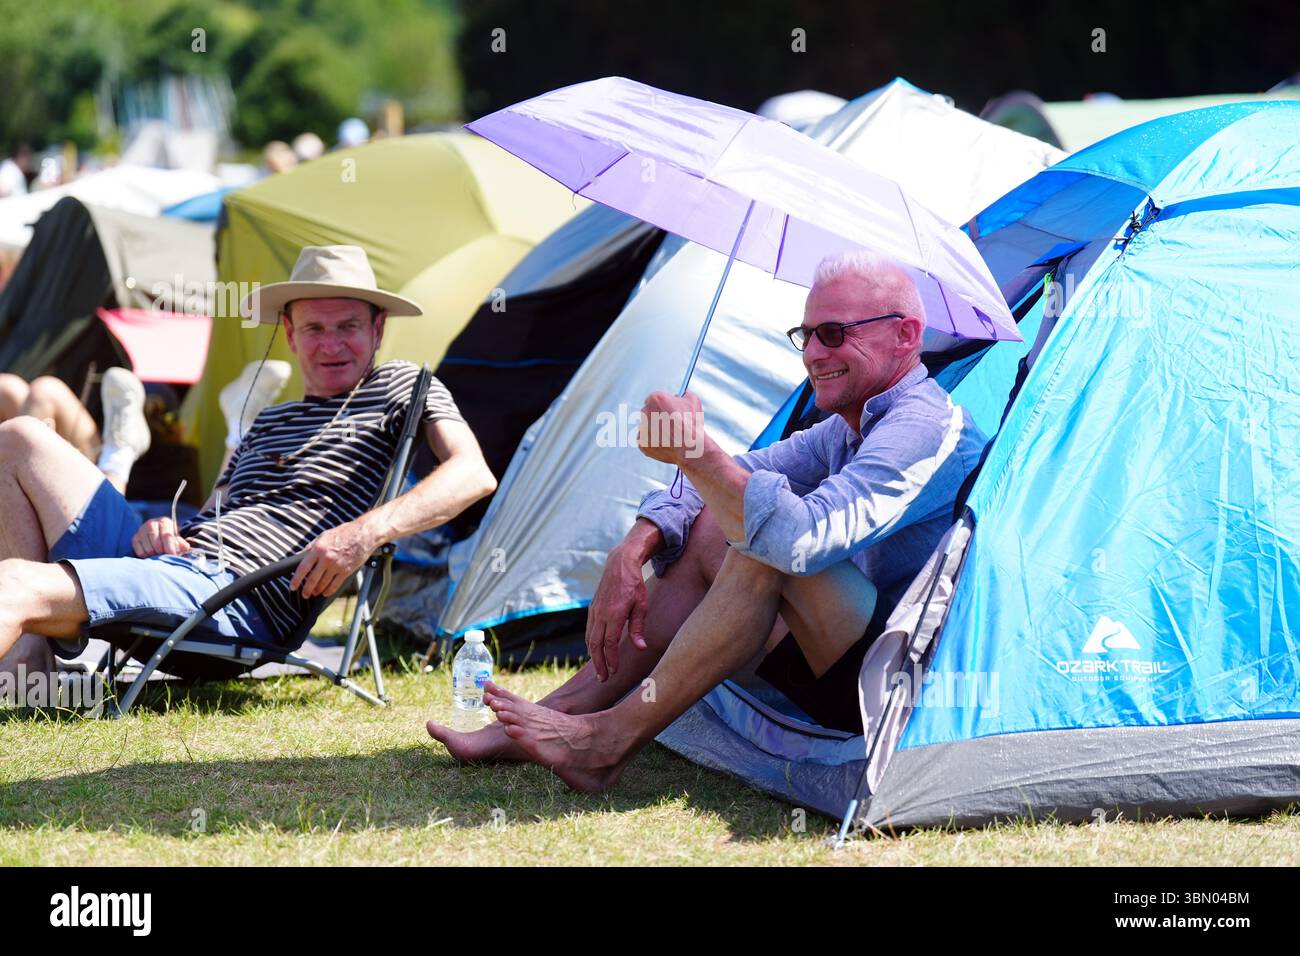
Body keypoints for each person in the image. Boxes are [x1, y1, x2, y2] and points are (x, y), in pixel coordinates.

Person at [428, 251, 987, 791]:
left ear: (906, 335)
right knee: (722, 525)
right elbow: (730, 481)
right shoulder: (844, 427)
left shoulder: (924, 426)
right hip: (847, 660)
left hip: (909, 687)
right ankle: (557, 717)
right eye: (807, 335)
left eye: (834, 333)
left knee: (758, 542)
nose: (814, 353)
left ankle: (604, 744)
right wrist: (634, 545)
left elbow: (800, 541)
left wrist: (695, 452)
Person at [0, 244, 496, 685]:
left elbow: (473, 473)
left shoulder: (400, 387)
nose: (331, 344)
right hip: (177, 568)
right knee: (17, 437)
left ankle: (24, 658)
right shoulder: (269, 420)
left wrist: (365, 534)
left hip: (238, 597)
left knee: (15, 582)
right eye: (314, 328)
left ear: (378, 328)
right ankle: (29, 657)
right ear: (289, 332)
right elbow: (214, 510)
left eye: (348, 326)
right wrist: (165, 530)